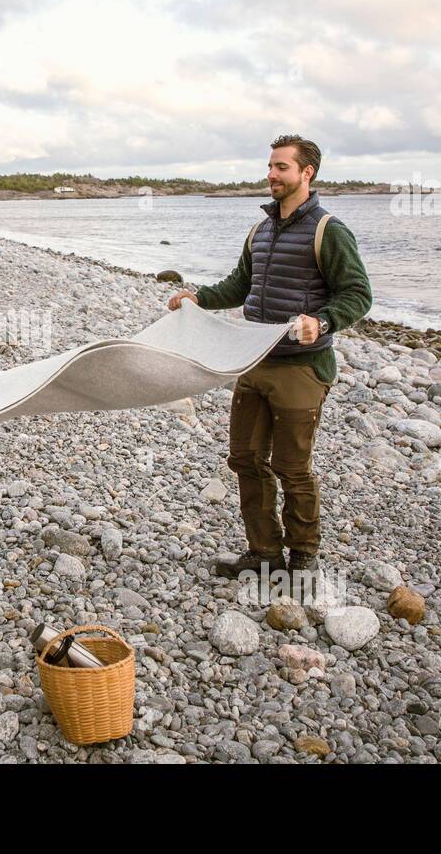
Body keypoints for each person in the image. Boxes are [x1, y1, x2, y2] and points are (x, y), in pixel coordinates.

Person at [168, 135, 372, 589]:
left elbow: (358, 295)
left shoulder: (329, 230)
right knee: (244, 459)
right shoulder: (260, 230)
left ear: (307, 173)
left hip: (301, 368)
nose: (272, 175)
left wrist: (322, 322)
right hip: (253, 360)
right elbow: (241, 285)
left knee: (292, 467)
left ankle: (302, 559)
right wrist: (198, 298)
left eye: (282, 167)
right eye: (270, 166)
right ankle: (263, 554)